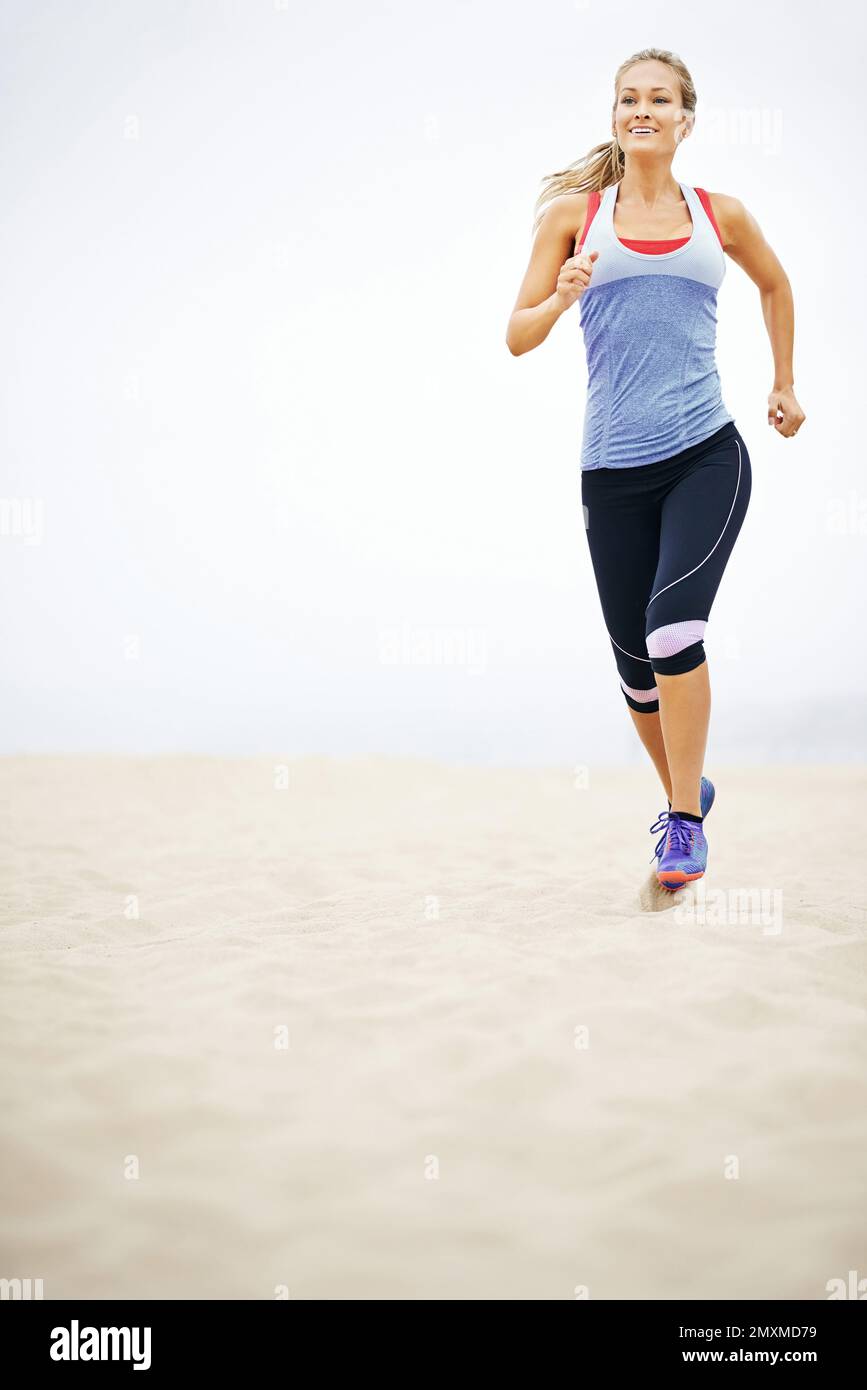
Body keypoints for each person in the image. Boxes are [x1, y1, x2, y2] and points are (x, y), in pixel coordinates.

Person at [506, 47, 805, 892]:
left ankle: (681, 825)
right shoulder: (572, 217)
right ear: (614, 117)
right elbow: (516, 334)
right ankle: (688, 787)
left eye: (660, 99)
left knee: (674, 628)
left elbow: (775, 287)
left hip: (706, 451)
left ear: (685, 120)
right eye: (629, 98)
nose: (644, 109)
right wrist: (560, 297)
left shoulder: (722, 215)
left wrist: (781, 382)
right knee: (636, 671)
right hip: (610, 470)